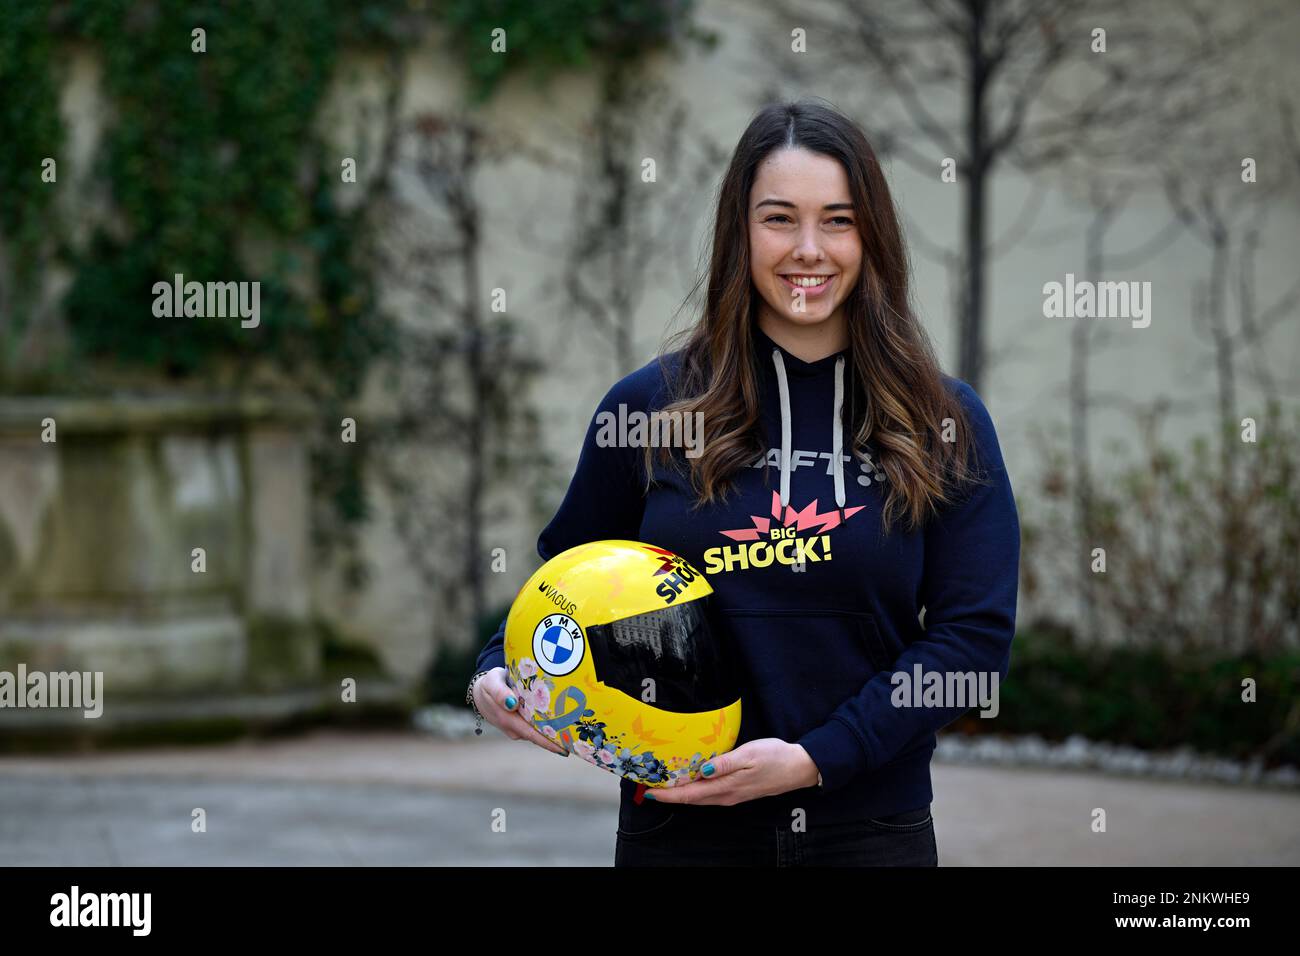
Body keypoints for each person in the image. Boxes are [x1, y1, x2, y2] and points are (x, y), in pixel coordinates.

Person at [468, 98, 1020, 866]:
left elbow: (972, 644)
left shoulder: (942, 419)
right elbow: (566, 581)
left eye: (837, 220)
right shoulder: (650, 408)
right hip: (678, 833)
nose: (808, 249)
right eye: (779, 219)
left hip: (868, 833)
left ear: (872, 235)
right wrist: (493, 672)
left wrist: (819, 757)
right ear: (740, 231)